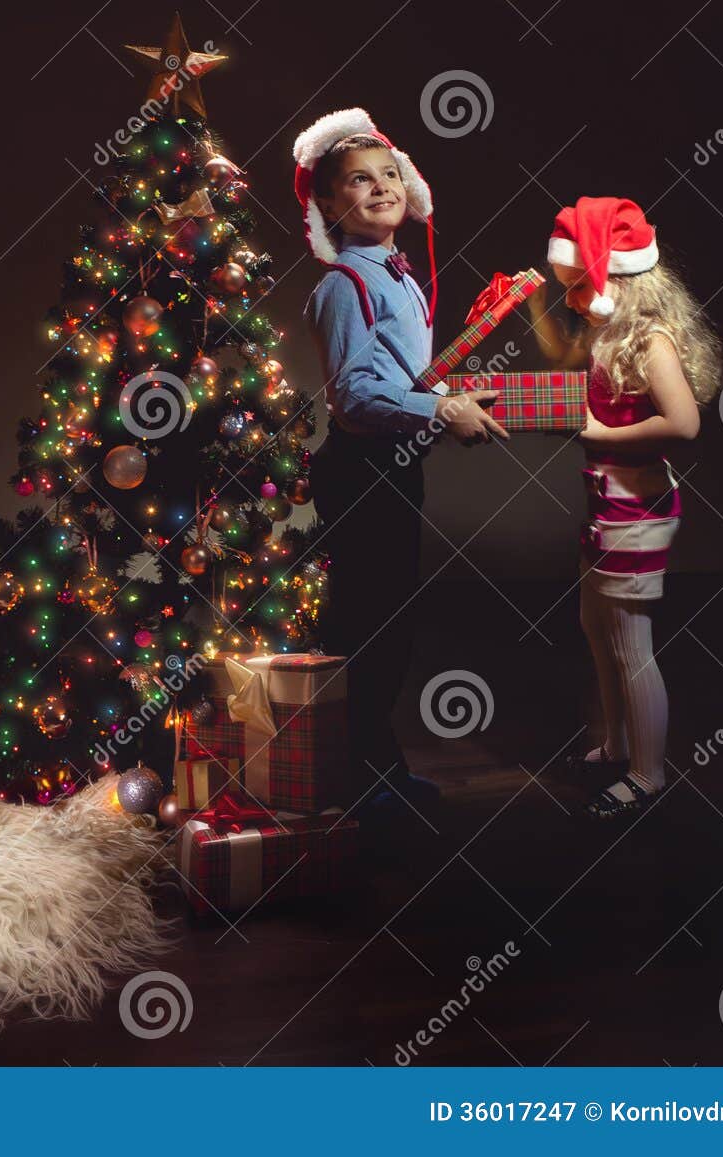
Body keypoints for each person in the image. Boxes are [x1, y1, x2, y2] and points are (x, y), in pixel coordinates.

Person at [293, 108, 506, 817]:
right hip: (361, 471)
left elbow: (400, 376)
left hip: (393, 467)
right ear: (329, 204)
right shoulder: (344, 284)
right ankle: (357, 781)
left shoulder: (400, 277)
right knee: (366, 630)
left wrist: (448, 392)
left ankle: (378, 765)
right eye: (359, 180)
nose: (381, 187)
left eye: (389, 174)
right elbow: (355, 394)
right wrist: (440, 412)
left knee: (391, 626)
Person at [532, 197, 720, 819]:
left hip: (636, 507)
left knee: (630, 641)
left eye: (578, 288)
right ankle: (617, 747)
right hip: (607, 503)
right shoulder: (611, 332)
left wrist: (597, 436)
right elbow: (561, 358)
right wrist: (531, 304)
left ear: (619, 279)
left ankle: (646, 774)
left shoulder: (650, 340)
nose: (574, 302)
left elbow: (685, 425)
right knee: (598, 627)